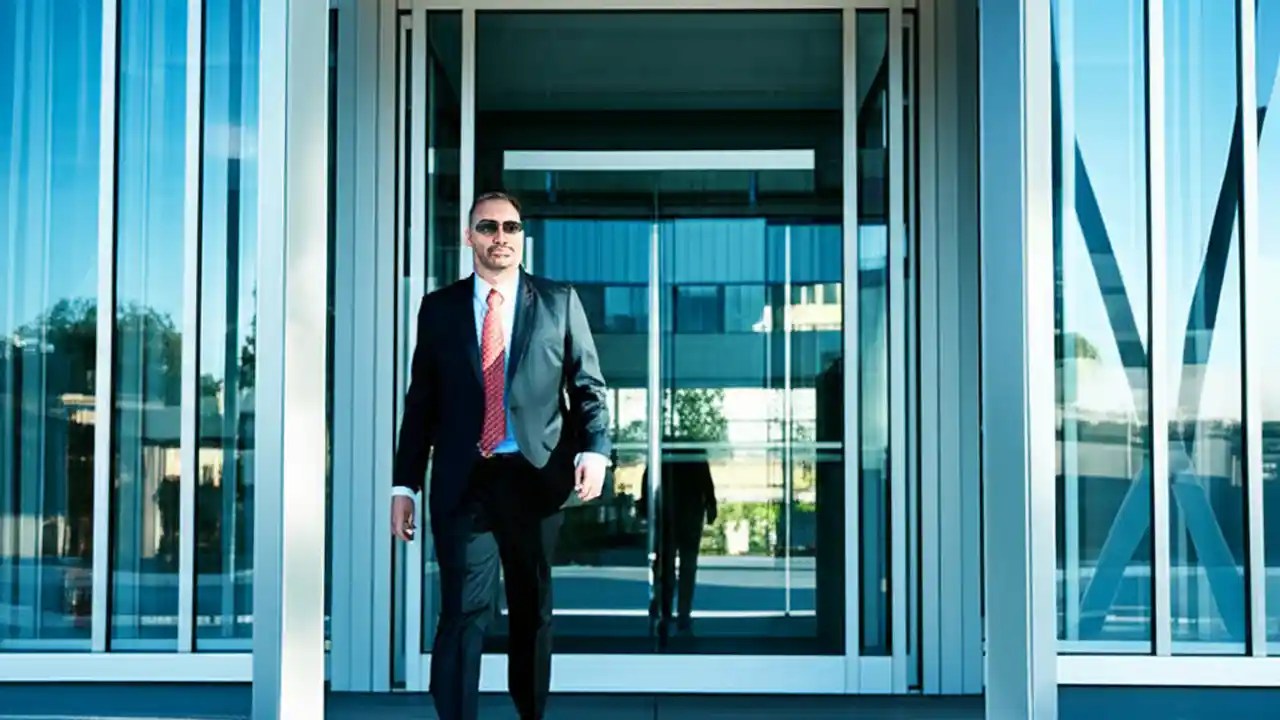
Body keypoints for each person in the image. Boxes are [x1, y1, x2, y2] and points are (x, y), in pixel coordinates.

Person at [390, 191, 611, 720]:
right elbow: (421, 403)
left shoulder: (559, 301)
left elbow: (589, 389)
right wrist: (404, 486)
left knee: (532, 613)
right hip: (465, 482)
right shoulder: (439, 309)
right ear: (469, 237)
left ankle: (530, 715)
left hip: (535, 481)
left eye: (511, 228)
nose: (500, 238)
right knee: (463, 613)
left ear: (522, 238)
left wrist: (595, 452)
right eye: (488, 228)